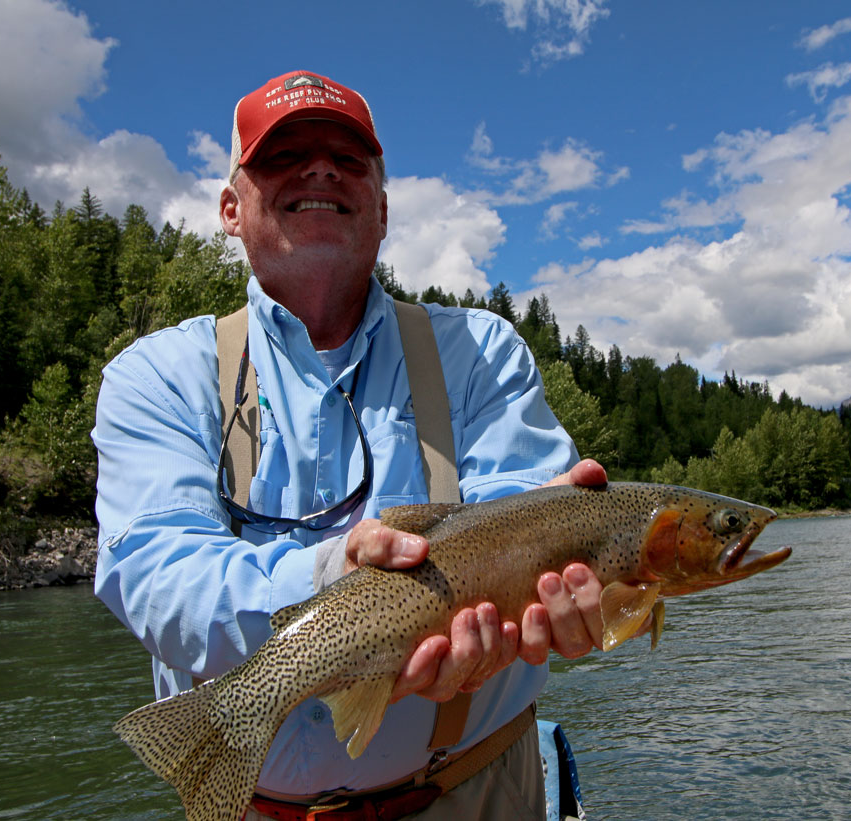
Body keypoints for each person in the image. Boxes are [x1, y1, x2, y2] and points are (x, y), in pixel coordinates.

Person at [93, 69, 607, 820]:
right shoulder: (156, 375)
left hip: (477, 787)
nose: (320, 167)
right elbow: (156, 572)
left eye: (347, 156)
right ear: (231, 210)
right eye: (283, 154)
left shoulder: (481, 351)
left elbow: (521, 513)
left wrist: (555, 573)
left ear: (382, 207)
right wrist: (330, 571)